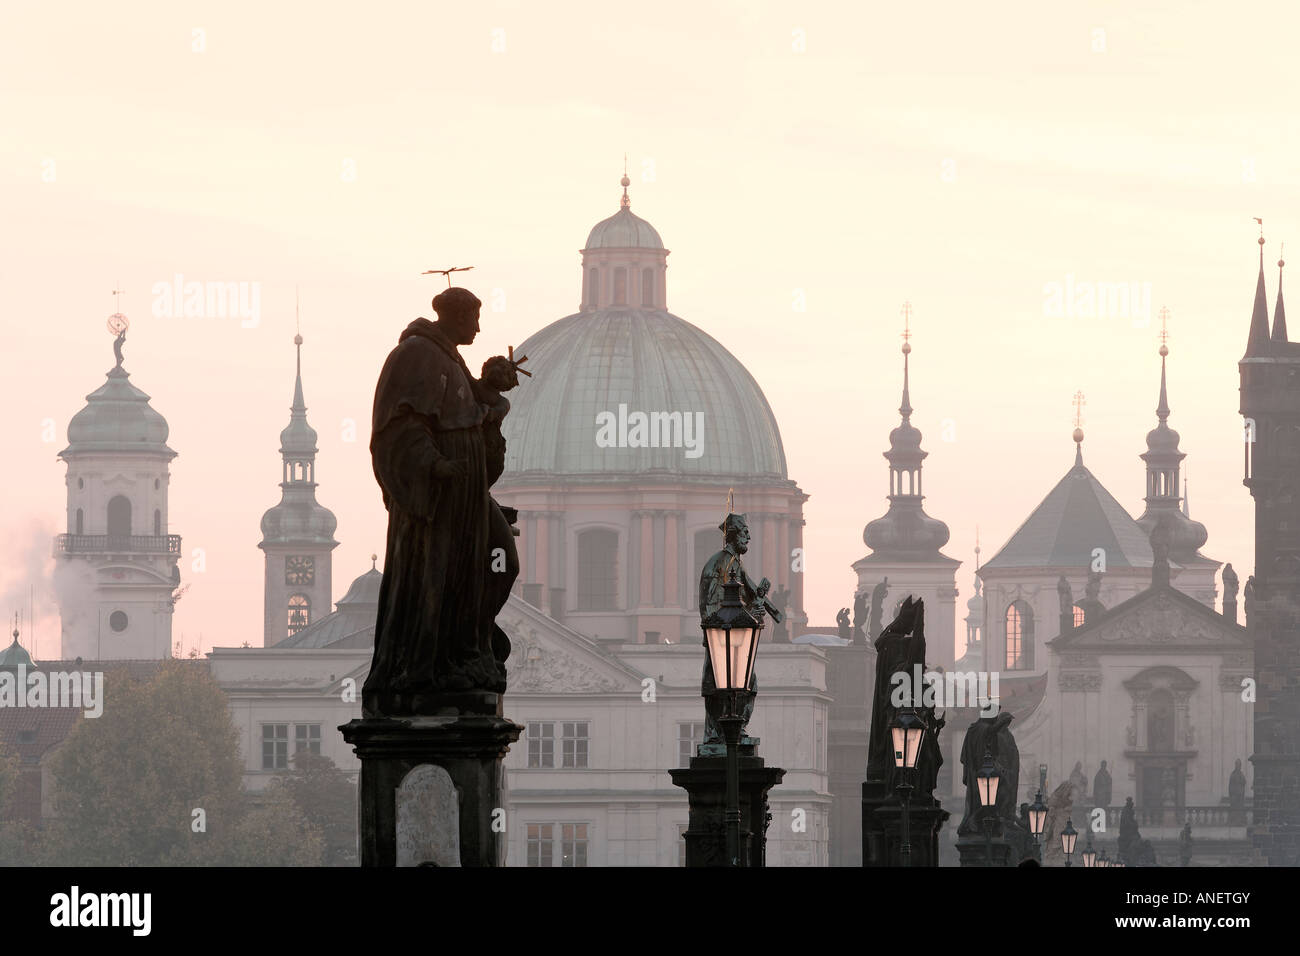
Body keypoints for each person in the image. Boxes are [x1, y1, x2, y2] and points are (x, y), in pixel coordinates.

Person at [364, 288, 517, 715]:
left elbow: (473, 408)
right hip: (438, 498)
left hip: (467, 494)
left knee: (502, 559)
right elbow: (399, 426)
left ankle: (470, 645)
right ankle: (433, 662)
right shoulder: (416, 354)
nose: (480, 328)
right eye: (475, 319)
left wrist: (492, 391)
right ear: (457, 315)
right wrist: (435, 465)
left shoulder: (450, 358)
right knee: (438, 573)